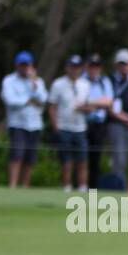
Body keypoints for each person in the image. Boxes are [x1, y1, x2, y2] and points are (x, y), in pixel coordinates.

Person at [1, 50, 47, 188]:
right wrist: (28, 100)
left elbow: (43, 99)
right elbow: (10, 101)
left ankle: (25, 186)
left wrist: (34, 82)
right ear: (17, 65)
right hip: (17, 124)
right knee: (16, 154)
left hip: (35, 124)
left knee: (30, 157)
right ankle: (13, 185)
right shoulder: (9, 80)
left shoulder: (38, 81)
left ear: (31, 66)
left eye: (27, 65)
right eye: (22, 65)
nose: (24, 67)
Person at [48, 54, 92, 192]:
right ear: (67, 67)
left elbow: (89, 107)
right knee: (66, 160)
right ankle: (67, 187)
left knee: (82, 160)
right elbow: (52, 107)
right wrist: (56, 127)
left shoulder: (85, 84)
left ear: (80, 69)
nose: (74, 69)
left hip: (80, 128)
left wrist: (84, 108)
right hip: (64, 127)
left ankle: (82, 187)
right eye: (72, 66)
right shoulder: (58, 84)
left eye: (77, 67)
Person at [107, 48, 128, 189]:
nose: (123, 67)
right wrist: (123, 117)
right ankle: (118, 188)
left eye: (126, 64)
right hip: (116, 124)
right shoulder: (110, 80)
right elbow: (109, 104)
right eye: (121, 64)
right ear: (116, 65)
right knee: (118, 160)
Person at [83, 55, 113, 183]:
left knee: (95, 158)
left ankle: (92, 188)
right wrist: (97, 103)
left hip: (99, 124)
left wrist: (90, 104)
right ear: (87, 67)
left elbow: (108, 102)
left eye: (97, 66)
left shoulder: (104, 81)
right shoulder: (81, 80)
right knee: (81, 157)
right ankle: (78, 186)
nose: (94, 69)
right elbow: (79, 103)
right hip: (82, 123)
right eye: (92, 66)